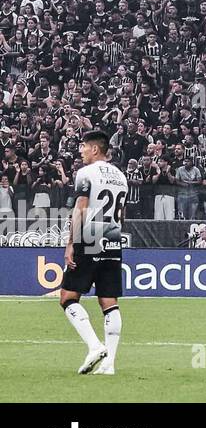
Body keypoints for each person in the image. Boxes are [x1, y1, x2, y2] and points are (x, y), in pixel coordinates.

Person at [59, 129, 125, 376]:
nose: (81, 151)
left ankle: (95, 346)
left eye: (84, 147)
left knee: (67, 297)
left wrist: (71, 243)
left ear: (95, 149)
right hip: (113, 239)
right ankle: (110, 364)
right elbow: (121, 214)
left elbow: (81, 209)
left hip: (89, 238)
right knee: (109, 301)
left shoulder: (86, 173)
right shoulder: (120, 176)